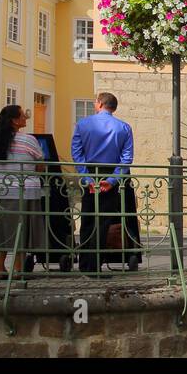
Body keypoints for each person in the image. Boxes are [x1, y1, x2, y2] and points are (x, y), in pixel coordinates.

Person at [71, 92, 139, 274]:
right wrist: (111, 181)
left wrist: (87, 178)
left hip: (90, 172)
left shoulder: (83, 124)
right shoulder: (124, 127)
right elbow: (126, 159)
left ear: (99, 103)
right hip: (111, 175)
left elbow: (77, 154)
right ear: (113, 107)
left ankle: (85, 264)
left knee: (87, 219)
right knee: (104, 221)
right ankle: (96, 264)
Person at [0, 105, 46, 279]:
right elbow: (40, 164)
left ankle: (0, 269)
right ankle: (19, 270)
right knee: (22, 230)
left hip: (0, 191)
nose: (26, 117)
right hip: (24, 191)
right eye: (22, 115)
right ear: (15, 120)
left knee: (0, 231)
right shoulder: (28, 140)